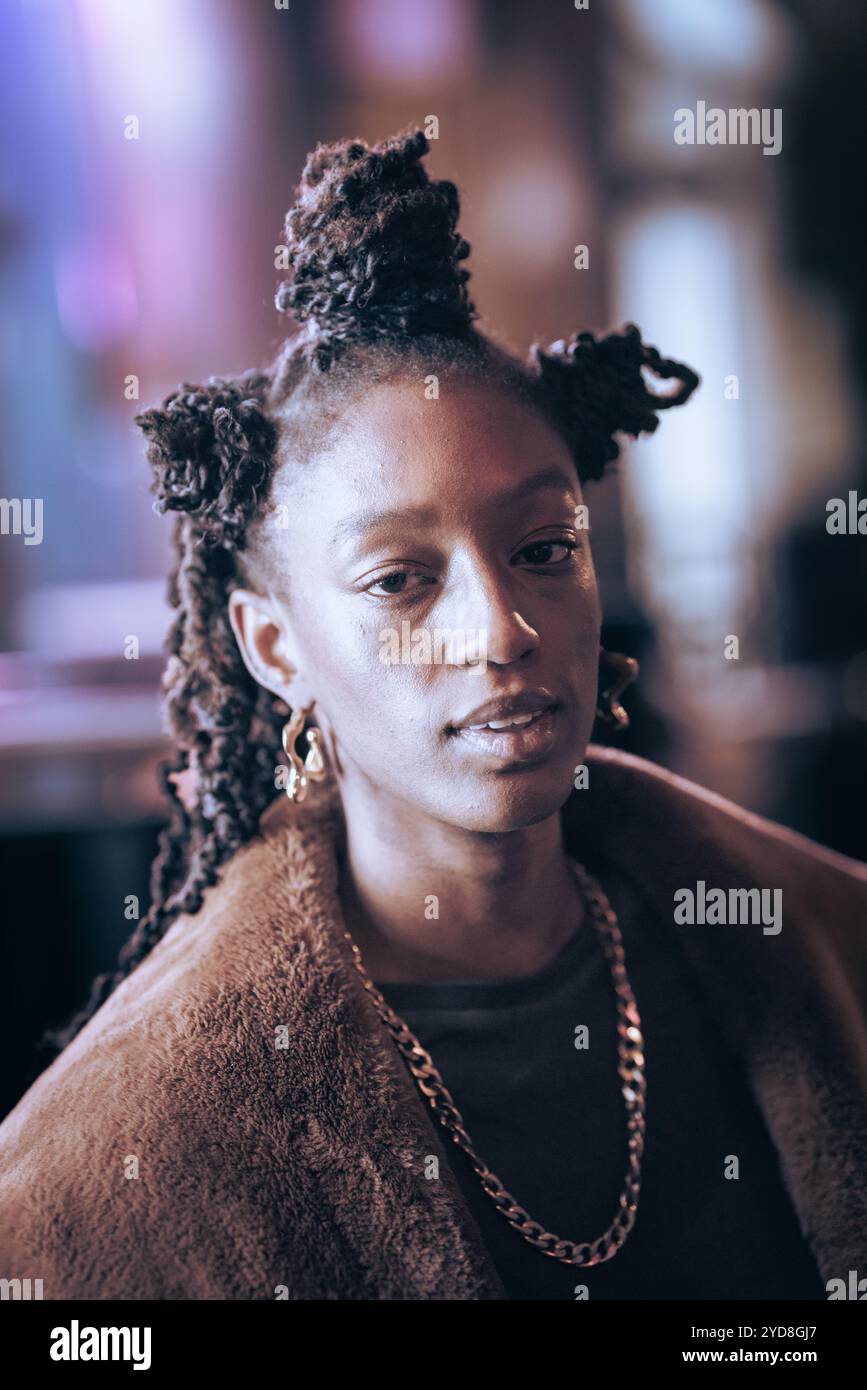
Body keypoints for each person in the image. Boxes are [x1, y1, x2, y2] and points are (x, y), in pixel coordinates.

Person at [1, 128, 865, 1302]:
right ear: (275, 648)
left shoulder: (819, 941)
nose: (503, 629)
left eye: (545, 547)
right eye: (400, 579)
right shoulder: (112, 1162)